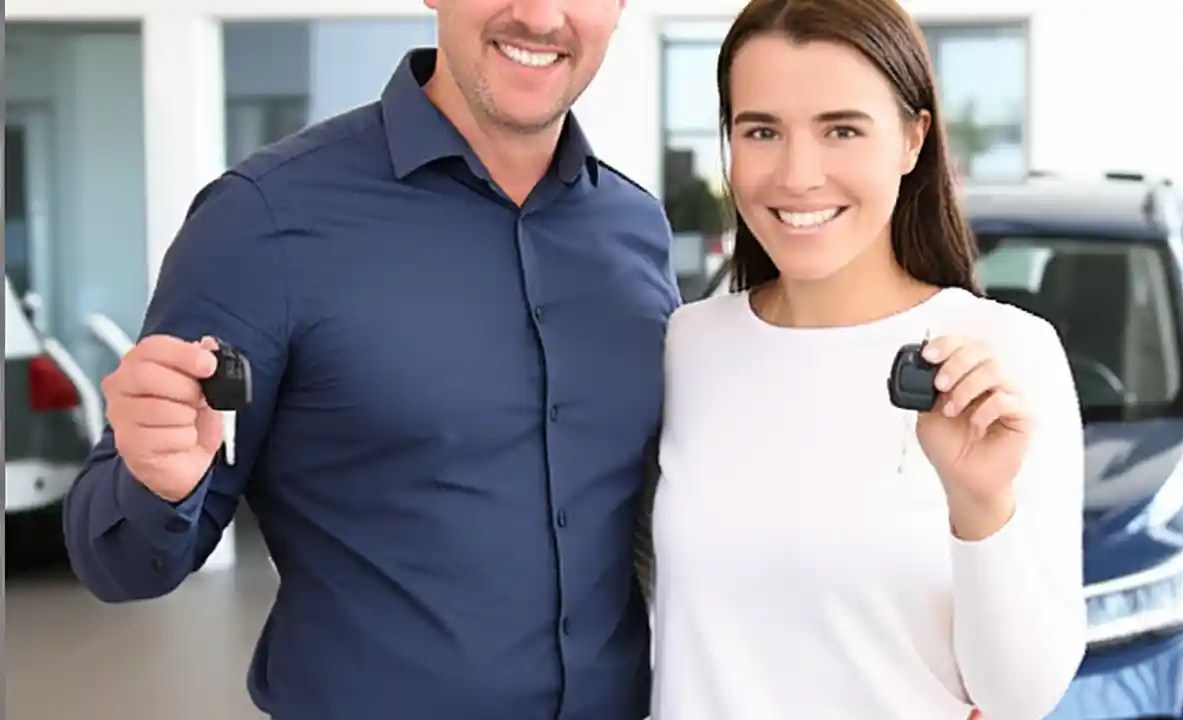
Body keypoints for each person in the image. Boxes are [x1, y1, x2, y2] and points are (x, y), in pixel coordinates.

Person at [63, 1, 680, 718]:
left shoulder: (636, 229)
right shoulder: (262, 220)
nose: (541, 15)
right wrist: (158, 480)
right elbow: (118, 563)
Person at [635, 0, 1087, 718]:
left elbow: (1020, 697)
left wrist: (979, 504)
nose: (798, 174)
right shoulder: (685, 347)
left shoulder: (1005, 357)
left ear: (913, 139)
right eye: (761, 131)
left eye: (841, 129)